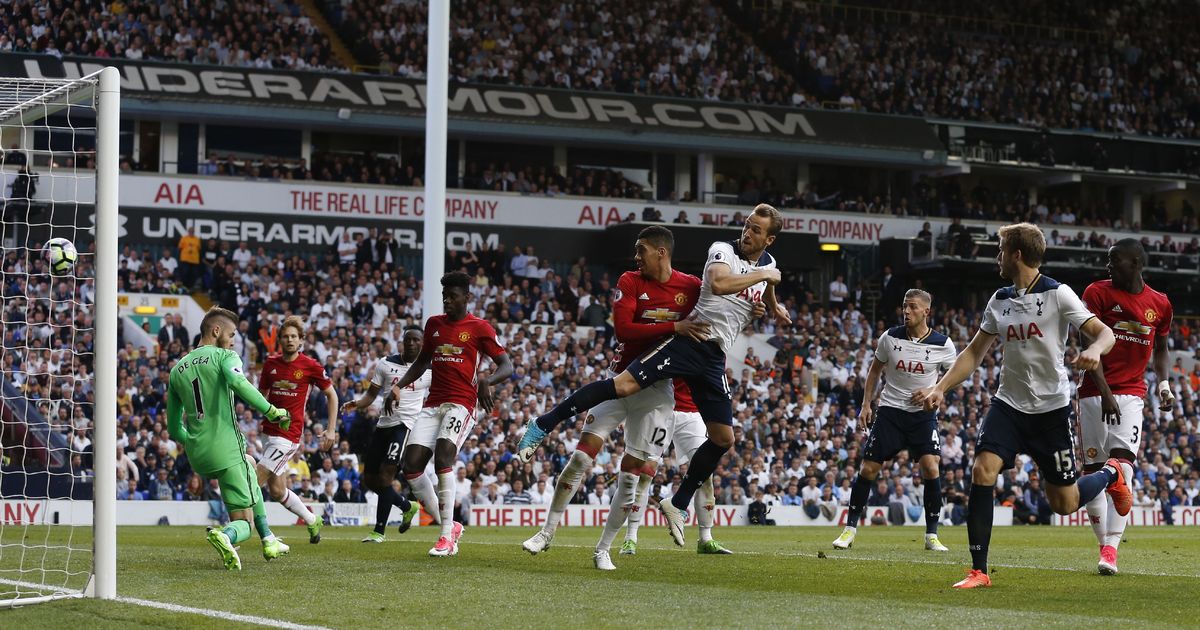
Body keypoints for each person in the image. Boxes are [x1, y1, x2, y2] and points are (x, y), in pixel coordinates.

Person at [519, 204, 790, 547]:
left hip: (714, 357)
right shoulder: (723, 251)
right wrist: (766, 279)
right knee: (622, 386)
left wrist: (772, 303)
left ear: (770, 239)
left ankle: (676, 504)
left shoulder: (767, 266)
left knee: (724, 439)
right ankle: (543, 423)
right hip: (691, 341)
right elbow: (719, 283)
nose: (747, 234)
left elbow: (766, 278)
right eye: (747, 226)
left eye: (755, 230)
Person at [913, 223, 1130, 589]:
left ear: (1016, 254)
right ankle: (979, 570)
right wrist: (941, 387)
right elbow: (974, 353)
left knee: (1064, 503)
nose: (996, 257)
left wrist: (1093, 350)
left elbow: (1104, 332)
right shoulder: (999, 300)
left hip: (1051, 410)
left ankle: (1111, 474)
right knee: (982, 470)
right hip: (1009, 405)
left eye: (1000, 250)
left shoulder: (1059, 294)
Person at [520, 226, 708, 570]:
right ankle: (546, 532)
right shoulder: (630, 281)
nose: (636, 257)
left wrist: (759, 306)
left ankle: (603, 548)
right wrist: (674, 327)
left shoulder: (691, 287)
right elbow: (624, 330)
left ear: (661, 252)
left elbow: (718, 304)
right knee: (581, 458)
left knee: (631, 474)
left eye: (642, 251)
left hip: (658, 394)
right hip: (621, 381)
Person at [390, 272, 513, 557]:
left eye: (453, 295)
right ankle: (452, 526)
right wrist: (399, 386)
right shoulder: (433, 325)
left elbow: (507, 366)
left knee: (444, 457)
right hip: (433, 404)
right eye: (444, 295)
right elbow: (422, 362)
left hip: (461, 403)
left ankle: (445, 537)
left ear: (467, 298)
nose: (447, 300)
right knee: (411, 466)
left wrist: (487, 380)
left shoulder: (480, 328)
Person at [166, 307, 292, 570]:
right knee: (243, 522)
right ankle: (227, 535)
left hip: (197, 454)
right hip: (226, 448)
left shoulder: (177, 370)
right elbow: (239, 383)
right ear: (216, 331)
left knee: (249, 462)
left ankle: (268, 539)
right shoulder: (225, 355)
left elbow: (174, 428)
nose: (234, 339)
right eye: (232, 333)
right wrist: (272, 410)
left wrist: (192, 441)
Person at [833, 289, 956, 552]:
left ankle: (932, 535)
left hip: (922, 416)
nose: (906, 311)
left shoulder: (943, 344)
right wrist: (866, 404)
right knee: (868, 469)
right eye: (904, 306)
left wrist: (936, 391)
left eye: (912, 307)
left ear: (926, 311)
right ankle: (849, 530)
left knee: (931, 468)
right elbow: (875, 369)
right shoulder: (890, 338)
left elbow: (954, 376)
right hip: (890, 411)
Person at [1078, 238, 1174, 575]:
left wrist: (1163, 384)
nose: (1108, 265)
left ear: (1135, 263)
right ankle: (1103, 545)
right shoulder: (1096, 293)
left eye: (1114, 260)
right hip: (1093, 391)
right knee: (1093, 472)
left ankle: (1111, 550)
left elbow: (1161, 348)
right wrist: (1104, 391)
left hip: (1132, 392)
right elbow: (1088, 345)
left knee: (1124, 467)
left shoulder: (1159, 304)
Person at [622, 380, 737, 555]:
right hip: (660, 410)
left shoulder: (713, 352)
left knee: (705, 475)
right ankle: (630, 538)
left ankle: (705, 538)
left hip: (691, 413)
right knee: (646, 473)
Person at [343, 326, 431, 543]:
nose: (410, 343)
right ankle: (406, 505)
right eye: (407, 339)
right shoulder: (386, 363)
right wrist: (357, 404)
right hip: (383, 425)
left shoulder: (429, 370)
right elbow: (371, 395)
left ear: (423, 343)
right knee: (370, 479)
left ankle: (379, 531)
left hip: (405, 427)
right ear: (402, 342)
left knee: (385, 477)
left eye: (415, 340)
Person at [256, 316, 337, 544]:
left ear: (301, 340)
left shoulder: (310, 366)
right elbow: (260, 396)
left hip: (288, 436)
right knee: (277, 491)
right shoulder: (270, 364)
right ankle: (312, 520)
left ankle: (232, 532)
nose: (290, 340)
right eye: (286, 336)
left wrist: (331, 429)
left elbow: (332, 395)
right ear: (279, 340)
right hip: (267, 432)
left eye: (294, 336)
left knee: (253, 480)